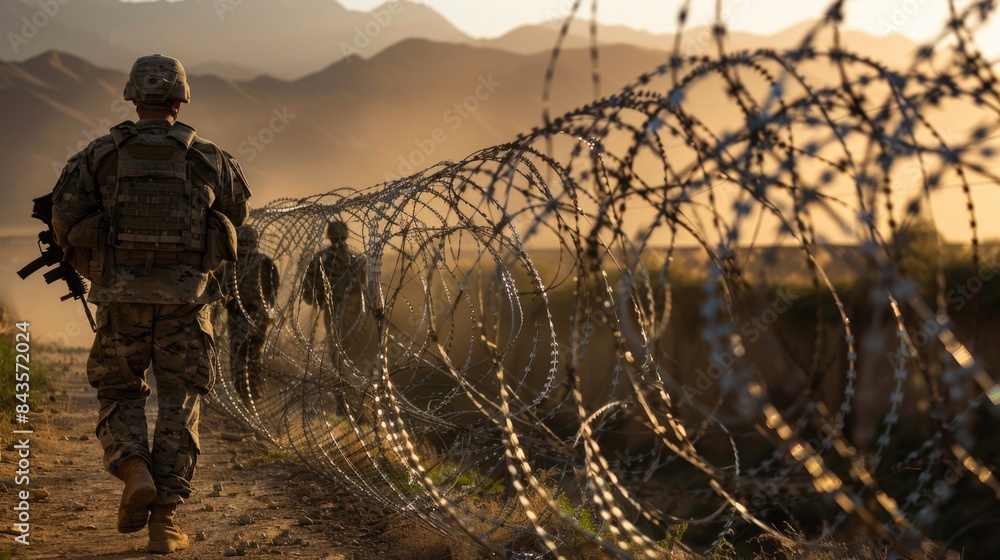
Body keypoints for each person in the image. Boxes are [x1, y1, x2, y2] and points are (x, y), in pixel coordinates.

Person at [50, 54, 251, 554]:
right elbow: (236, 216)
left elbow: (65, 218)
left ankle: (133, 466)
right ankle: (165, 520)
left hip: (121, 298)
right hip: (186, 301)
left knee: (120, 391)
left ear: (133, 99)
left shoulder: (99, 155)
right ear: (180, 100)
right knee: (179, 403)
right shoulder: (209, 156)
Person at [302, 220, 373, 411]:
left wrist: (316, 299)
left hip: (335, 310)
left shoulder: (321, 258)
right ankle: (350, 401)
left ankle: (346, 400)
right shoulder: (355, 259)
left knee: (338, 354)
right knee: (348, 354)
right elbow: (365, 289)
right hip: (353, 312)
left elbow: (307, 285)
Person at [221, 225, 279, 405]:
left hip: (241, 316)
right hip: (258, 316)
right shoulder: (265, 262)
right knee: (253, 356)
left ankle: (247, 398)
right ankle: (253, 395)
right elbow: (273, 291)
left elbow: (223, 291)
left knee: (240, 357)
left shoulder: (231, 264)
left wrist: (231, 306)